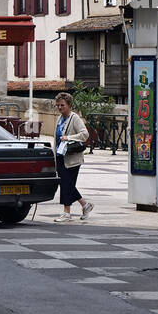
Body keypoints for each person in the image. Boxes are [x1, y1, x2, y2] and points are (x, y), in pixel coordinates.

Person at [52, 91, 93, 223]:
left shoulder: (74, 118)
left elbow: (84, 134)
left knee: (66, 184)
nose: (59, 108)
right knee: (67, 184)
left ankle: (66, 212)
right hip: (61, 156)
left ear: (69, 105)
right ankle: (85, 205)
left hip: (72, 158)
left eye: (62, 105)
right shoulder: (59, 118)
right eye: (58, 105)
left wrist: (68, 138)